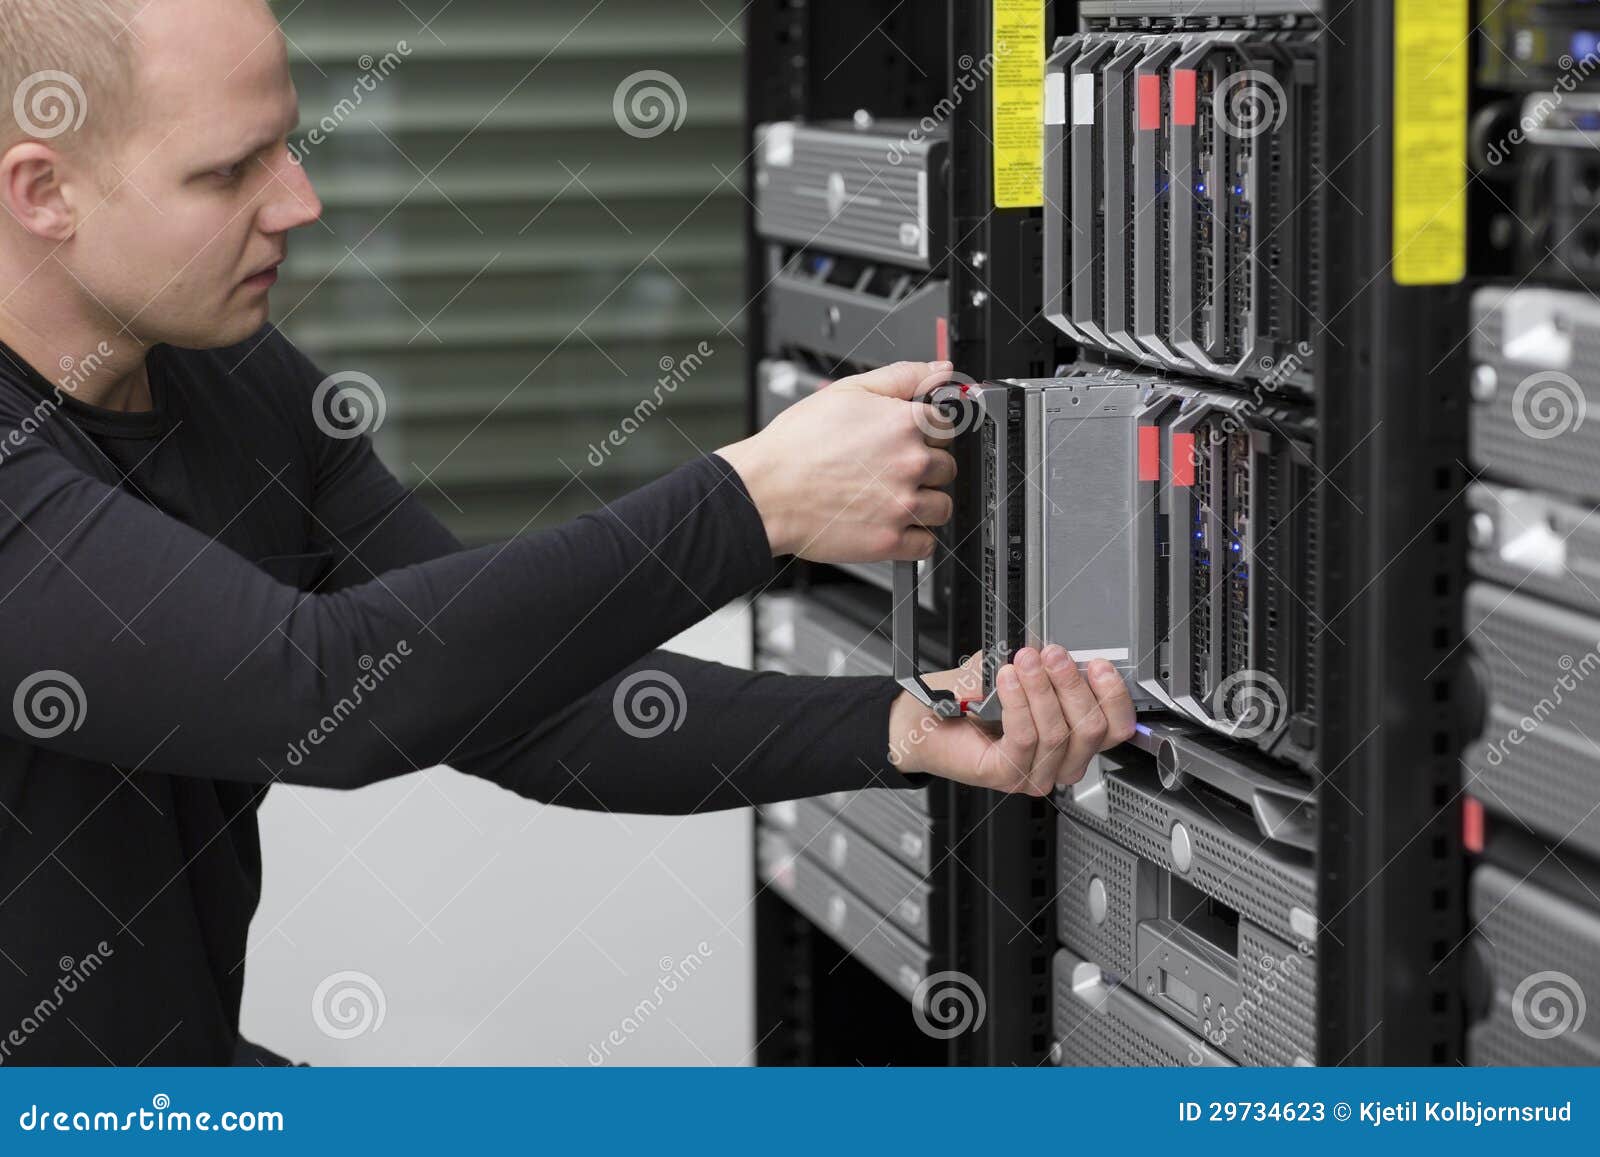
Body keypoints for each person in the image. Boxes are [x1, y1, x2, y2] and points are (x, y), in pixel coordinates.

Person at [0, 0, 1136, 1065]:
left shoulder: (231, 380)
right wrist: (750, 501)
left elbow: (534, 707)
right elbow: (317, 692)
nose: (298, 202)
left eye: (284, 145)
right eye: (227, 171)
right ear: (44, 190)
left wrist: (905, 722)